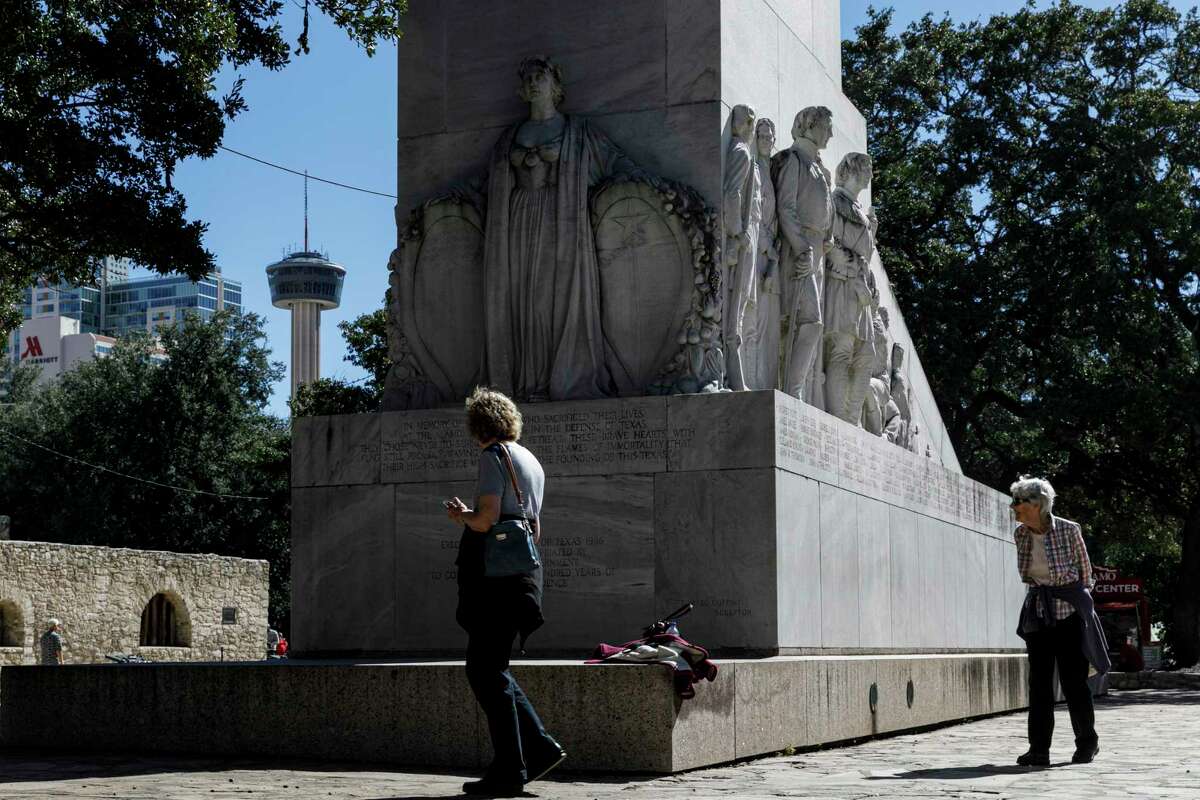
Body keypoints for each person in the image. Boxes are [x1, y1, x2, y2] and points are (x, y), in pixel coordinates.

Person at [446, 387, 566, 795]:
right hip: (524, 579)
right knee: (492, 668)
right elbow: (533, 525)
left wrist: (461, 515)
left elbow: (486, 520)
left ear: (477, 425)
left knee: (484, 671)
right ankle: (537, 749)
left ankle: (511, 768)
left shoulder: (493, 457)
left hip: (495, 582)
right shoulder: (530, 460)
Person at [1011, 476, 1109, 767]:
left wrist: (1071, 600)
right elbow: (1027, 574)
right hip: (1039, 614)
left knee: (1074, 683)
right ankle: (1038, 749)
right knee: (1038, 685)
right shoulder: (1020, 534)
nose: (1014, 506)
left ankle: (1087, 743)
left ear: (1038, 503)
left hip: (1068, 615)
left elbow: (1085, 573)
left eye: (1019, 501)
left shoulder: (1068, 530)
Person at [773, 106, 833, 402]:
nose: (831, 133)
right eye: (826, 127)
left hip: (816, 251)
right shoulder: (795, 161)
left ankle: (794, 388)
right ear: (809, 126)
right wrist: (800, 247)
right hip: (800, 251)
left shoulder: (819, 169)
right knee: (811, 320)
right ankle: (792, 391)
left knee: (809, 323)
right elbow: (786, 206)